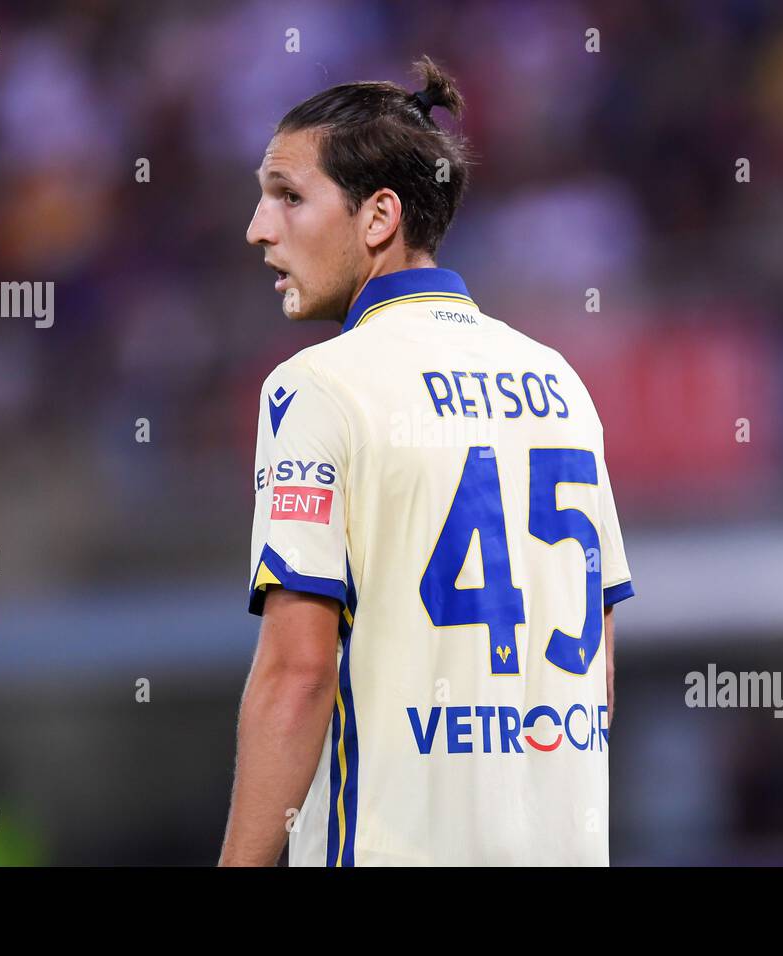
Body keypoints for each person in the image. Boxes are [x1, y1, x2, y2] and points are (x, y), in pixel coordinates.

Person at [218, 56, 633, 867]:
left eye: (288, 196)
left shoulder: (318, 389)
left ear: (378, 217)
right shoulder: (559, 379)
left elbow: (296, 675)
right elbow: (599, 673)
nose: (258, 228)